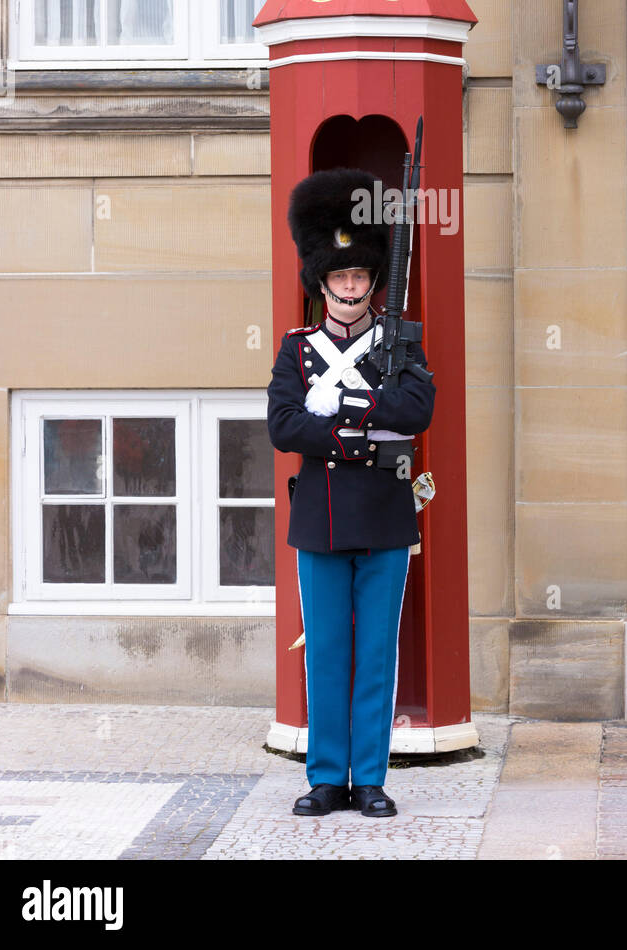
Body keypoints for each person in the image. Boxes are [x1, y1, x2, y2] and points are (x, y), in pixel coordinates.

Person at [266, 166, 436, 818]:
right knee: (329, 655)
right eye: (339, 278)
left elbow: (418, 408)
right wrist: (358, 436)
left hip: (386, 518)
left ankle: (370, 777)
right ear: (322, 282)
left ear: (371, 282)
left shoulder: (398, 343)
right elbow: (284, 424)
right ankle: (326, 778)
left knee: (376, 655)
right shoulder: (297, 351)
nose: (350, 286)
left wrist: (350, 412)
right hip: (322, 520)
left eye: (359, 277)